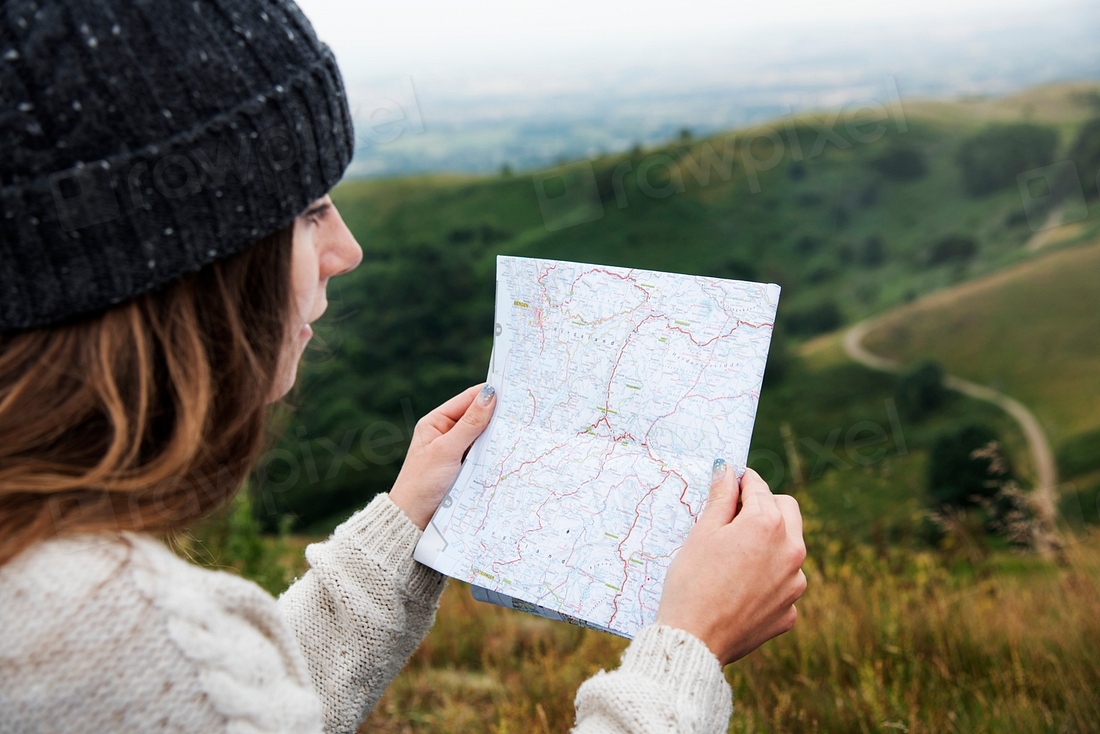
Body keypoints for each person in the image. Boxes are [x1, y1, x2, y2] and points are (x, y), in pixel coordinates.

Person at [0, 1, 807, 732]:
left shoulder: (58, 596)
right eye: (309, 210)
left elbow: (237, 706)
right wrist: (685, 654)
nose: (346, 249)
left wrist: (405, 524)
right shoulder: (112, 634)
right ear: (182, 265)